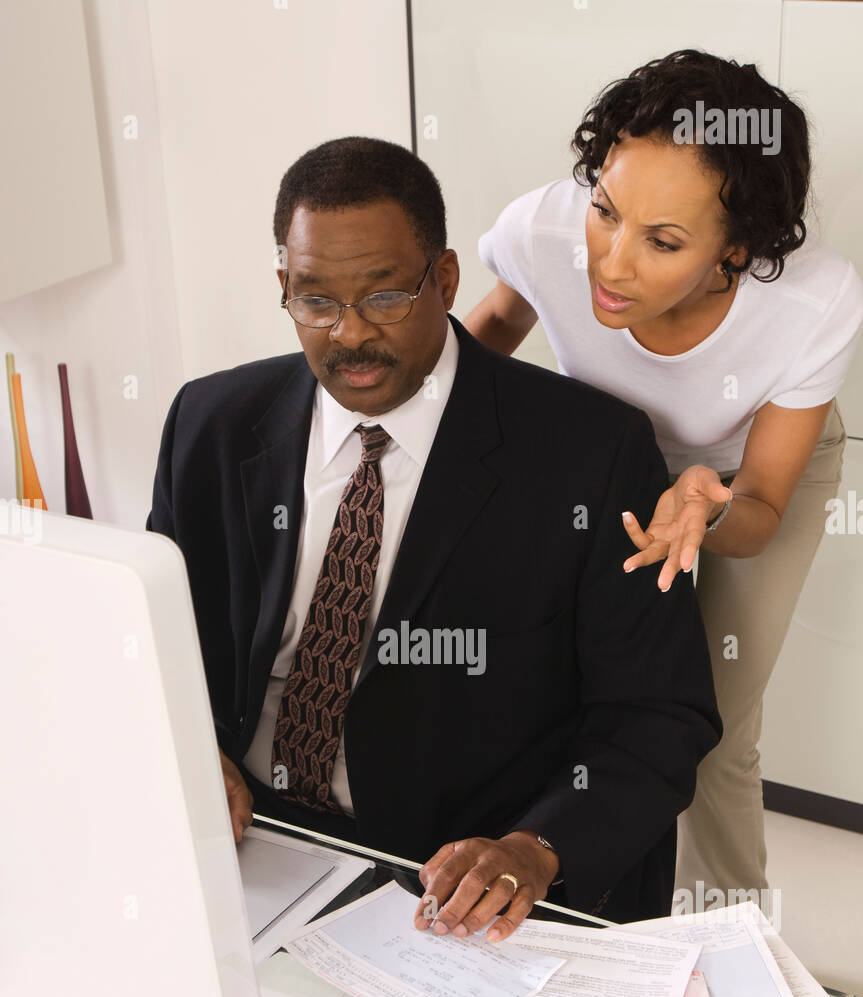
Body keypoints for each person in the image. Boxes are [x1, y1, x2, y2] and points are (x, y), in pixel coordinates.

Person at [147, 136, 720, 937]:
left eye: (384, 298)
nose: (349, 335)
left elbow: (657, 714)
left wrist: (536, 846)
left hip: (454, 874)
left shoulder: (590, 453)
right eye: (315, 300)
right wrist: (191, 753)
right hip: (250, 845)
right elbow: (157, 649)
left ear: (444, 280)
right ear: (284, 286)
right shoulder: (208, 423)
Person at [465, 49, 863, 908]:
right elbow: (485, 337)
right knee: (572, 697)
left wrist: (703, 513)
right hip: (608, 463)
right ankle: (580, 909)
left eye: (664, 242)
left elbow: (758, 505)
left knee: (709, 731)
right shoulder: (543, 230)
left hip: (745, 481)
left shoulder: (814, 301)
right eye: (604, 211)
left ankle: (728, 946)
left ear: (736, 250)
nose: (611, 263)